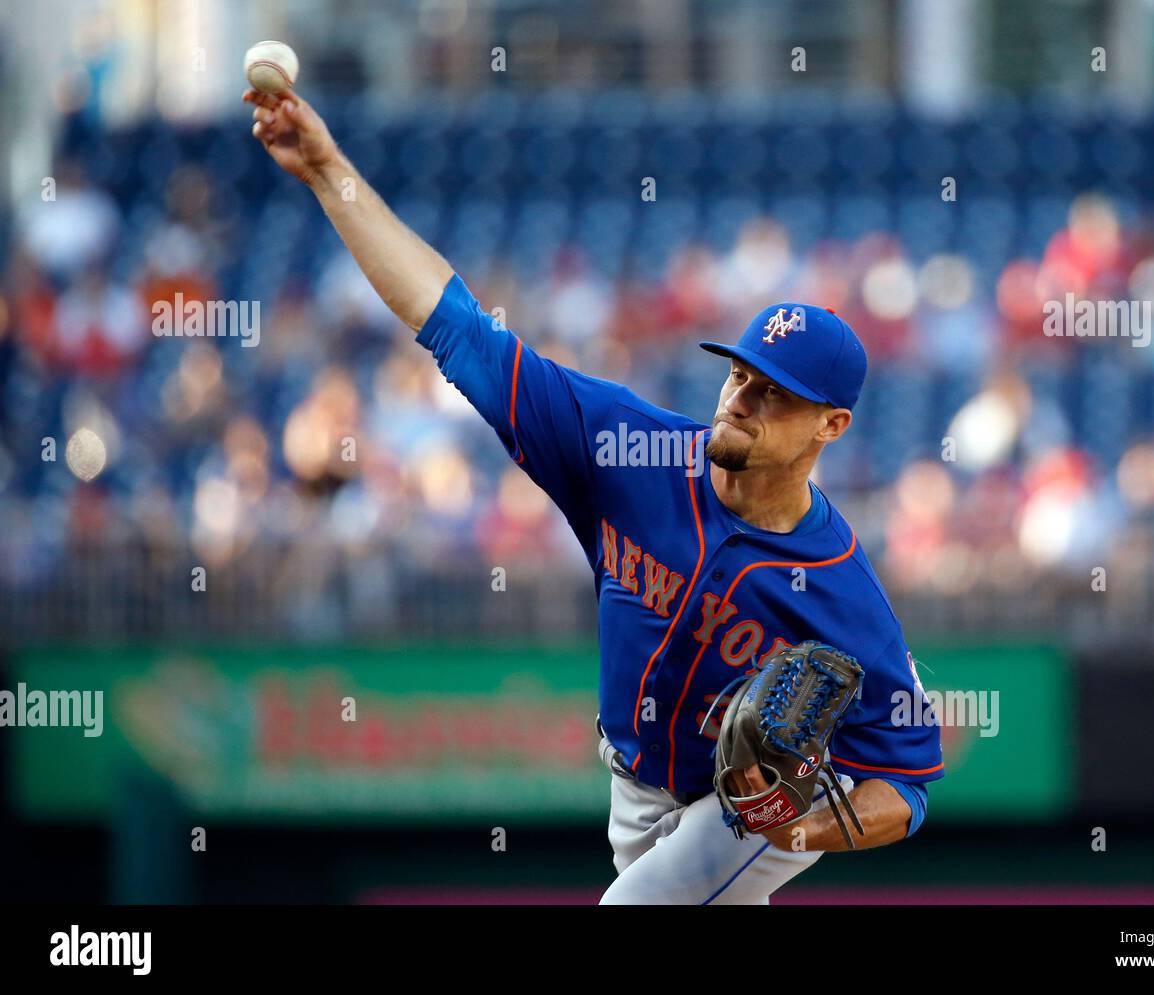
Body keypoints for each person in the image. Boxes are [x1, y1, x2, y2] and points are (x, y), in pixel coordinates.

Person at [245, 87, 943, 905]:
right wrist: (330, 173)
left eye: (774, 395)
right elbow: (458, 326)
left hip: (744, 821)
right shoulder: (626, 452)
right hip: (631, 789)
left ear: (832, 424)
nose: (741, 400)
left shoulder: (839, 589)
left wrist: (796, 825)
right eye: (739, 374)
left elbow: (907, 785)